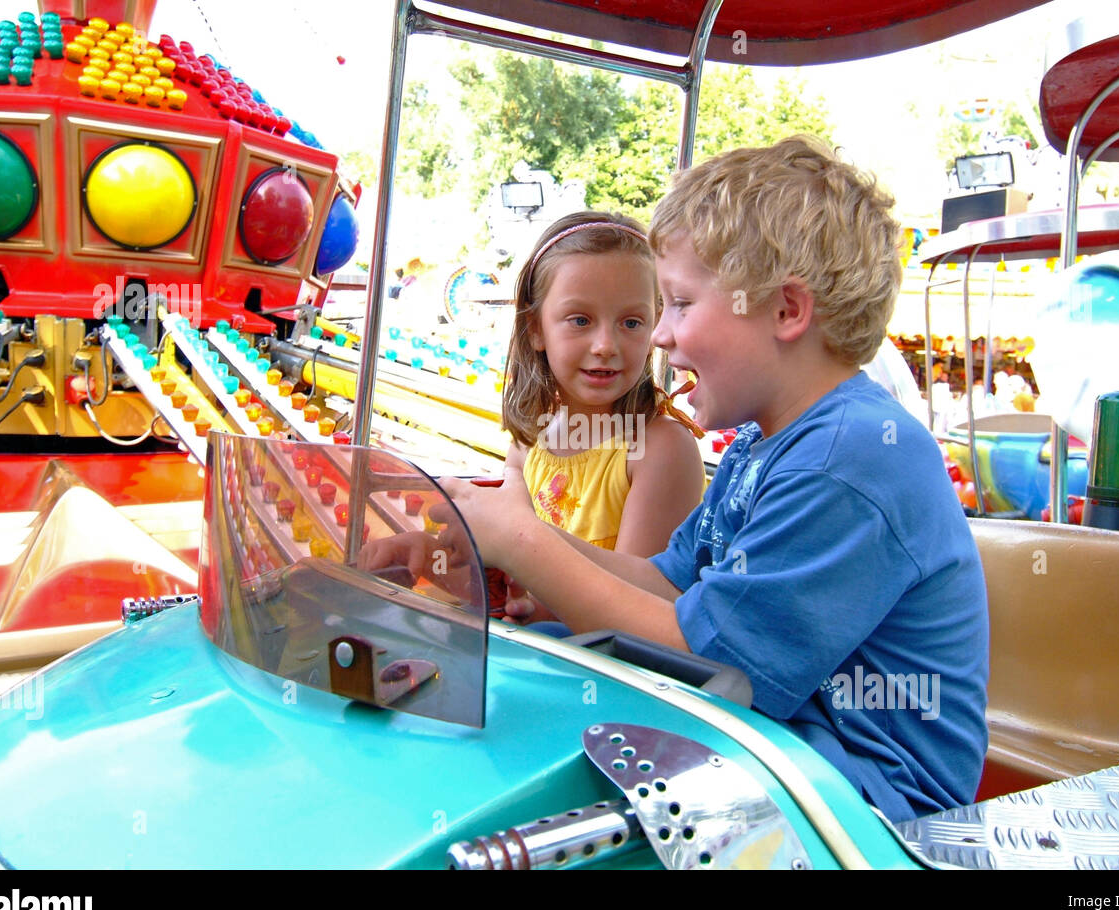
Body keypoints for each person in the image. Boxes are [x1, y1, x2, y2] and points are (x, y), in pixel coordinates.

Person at [399, 138, 990, 822]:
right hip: (772, 752)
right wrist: (496, 537)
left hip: (866, 802)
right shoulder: (761, 445)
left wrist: (529, 544)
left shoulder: (849, 456)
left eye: (677, 303)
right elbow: (667, 582)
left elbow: (714, 667)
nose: (659, 336)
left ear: (785, 312)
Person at [500, 211, 704, 561]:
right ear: (535, 328)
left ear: (655, 326)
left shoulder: (661, 452)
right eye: (581, 320)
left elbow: (632, 601)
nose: (606, 345)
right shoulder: (529, 442)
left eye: (631, 322)